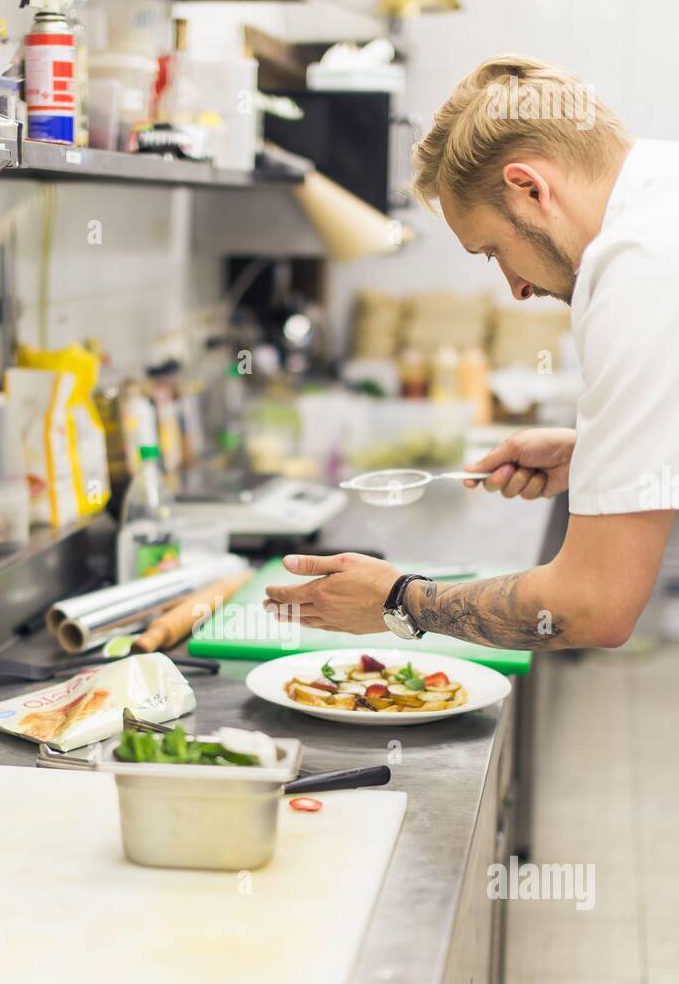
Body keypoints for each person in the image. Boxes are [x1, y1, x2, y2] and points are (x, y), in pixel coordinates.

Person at [264, 55, 678, 651]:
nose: (516, 287)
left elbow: (591, 607)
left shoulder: (633, 266)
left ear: (529, 188)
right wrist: (603, 455)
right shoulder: (665, 193)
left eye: (493, 251)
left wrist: (398, 599)